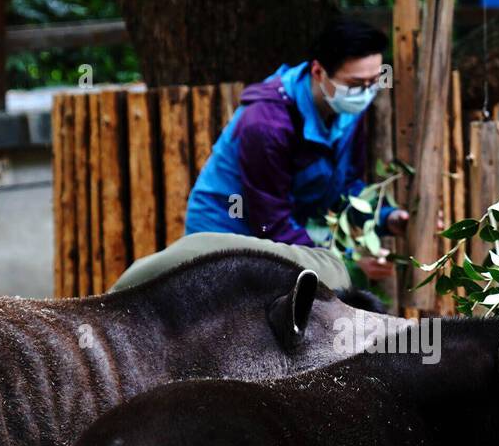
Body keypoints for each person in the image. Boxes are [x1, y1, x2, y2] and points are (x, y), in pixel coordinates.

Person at [113, 18, 406, 293]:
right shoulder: (266, 124)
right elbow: (270, 224)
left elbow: (345, 188)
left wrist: (387, 217)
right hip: (228, 232)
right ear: (318, 72)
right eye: (357, 85)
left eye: (373, 82)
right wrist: (346, 264)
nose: (366, 93)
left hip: (279, 229)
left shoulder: (346, 112)